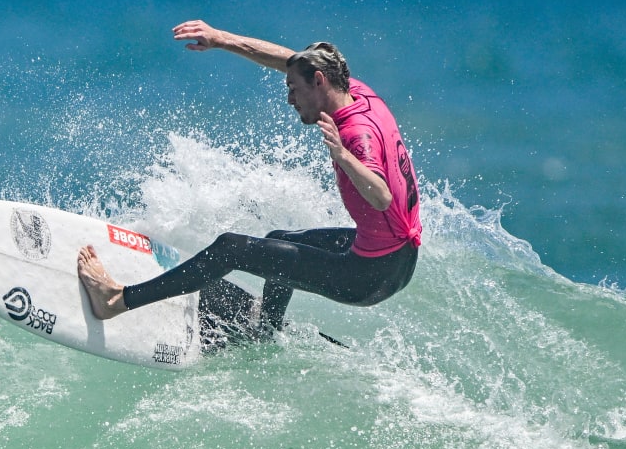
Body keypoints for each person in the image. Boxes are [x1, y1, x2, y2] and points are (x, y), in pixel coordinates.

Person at [77, 19, 422, 333]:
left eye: (293, 89)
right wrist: (221, 39)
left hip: (369, 276)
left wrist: (343, 156)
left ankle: (116, 300)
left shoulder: (355, 134)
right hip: (398, 258)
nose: (289, 99)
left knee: (231, 248)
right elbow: (286, 59)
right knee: (278, 239)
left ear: (319, 81)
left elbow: (381, 196)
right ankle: (266, 331)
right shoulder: (355, 93)